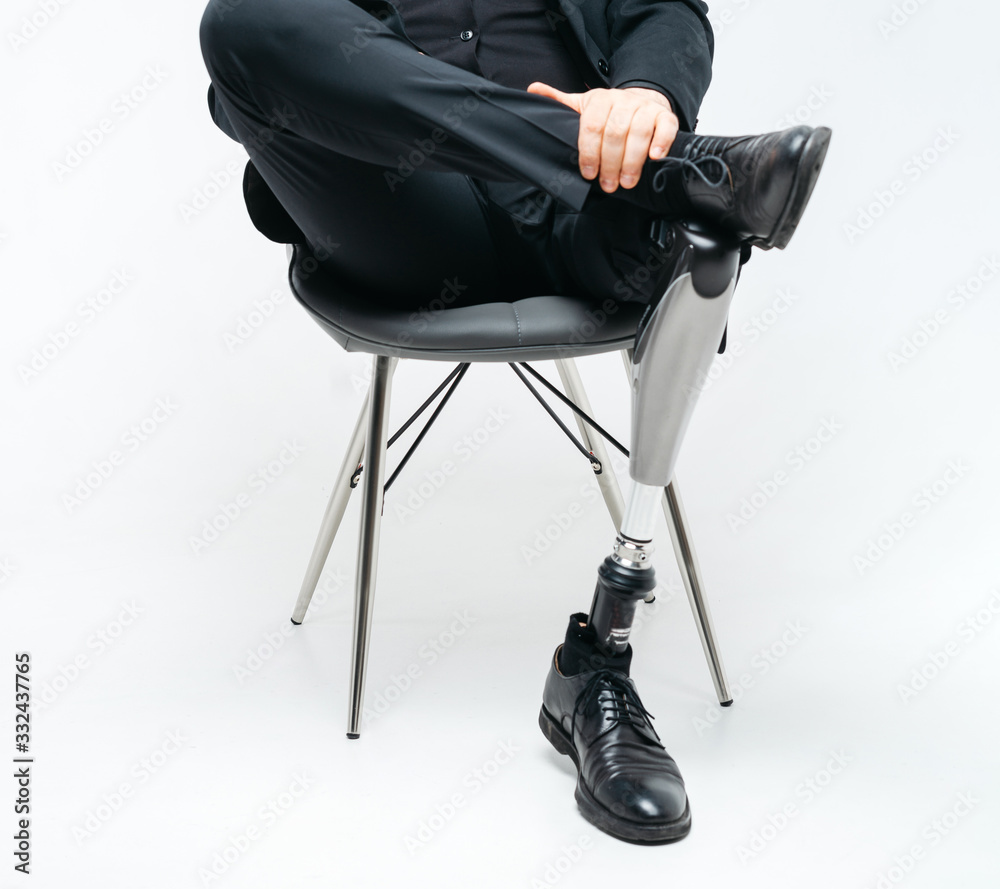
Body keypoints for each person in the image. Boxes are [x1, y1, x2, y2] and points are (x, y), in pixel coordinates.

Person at [199, 0, 830, 845]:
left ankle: (594, 667)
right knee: (239, 20)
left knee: (700, 242)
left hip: (595, 217)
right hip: (409, 212)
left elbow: (667, 8)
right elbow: (266, 59)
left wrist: (647, 97)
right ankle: (677, 172)